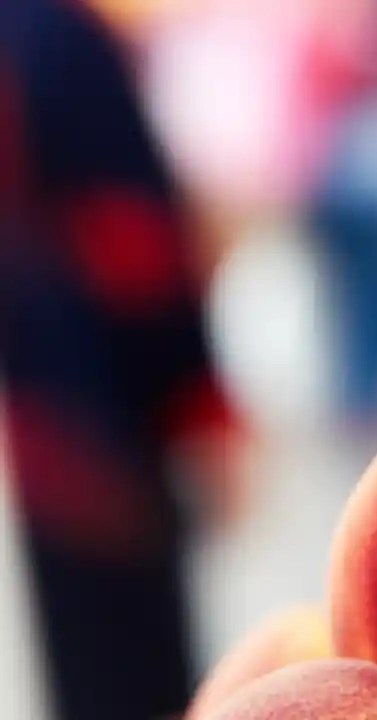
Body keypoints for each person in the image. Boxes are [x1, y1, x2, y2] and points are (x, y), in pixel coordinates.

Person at [0, 1, 239, 717]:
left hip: (44, 417)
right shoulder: (62, 35)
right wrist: (203, 407)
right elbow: (134, 248)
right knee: (135, 663)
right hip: (102, 415)